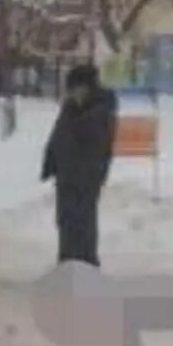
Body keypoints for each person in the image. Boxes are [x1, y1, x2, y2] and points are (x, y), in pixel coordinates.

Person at [41, 64, 118, 267]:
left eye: (77, 88)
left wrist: (93, 173)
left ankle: (85, 261)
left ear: (88, 87)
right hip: (66, 173)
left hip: (87, 176)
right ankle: (67, 259)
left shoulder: (102, 110)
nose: (73, 93)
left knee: (83, 220)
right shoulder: (70, 107)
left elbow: (99, 146)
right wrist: (50, 160)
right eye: (71, 89)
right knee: (65, 219)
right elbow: (58, 134)